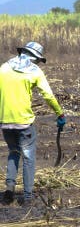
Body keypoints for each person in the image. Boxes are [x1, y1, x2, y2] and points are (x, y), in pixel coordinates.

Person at [0, 42, 65, 205]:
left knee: (14, 152)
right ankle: (27, 197)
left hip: (5, 121)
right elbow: (48, 96)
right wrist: (59, 113)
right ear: (35, 57)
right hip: (24, 122)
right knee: (28, 157)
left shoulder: (4, 68)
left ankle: (9, 191)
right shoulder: (35, 71)